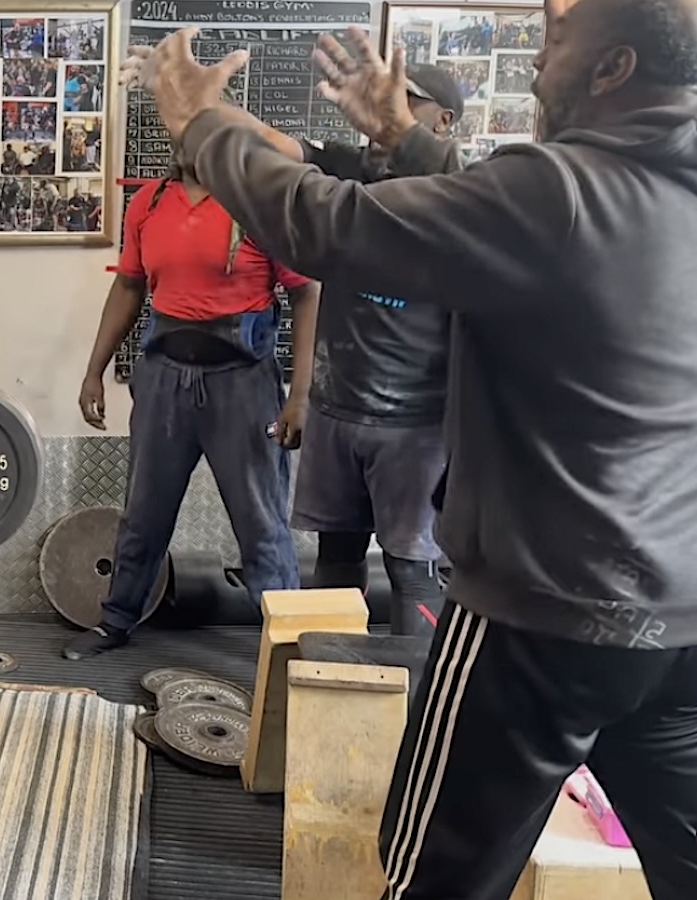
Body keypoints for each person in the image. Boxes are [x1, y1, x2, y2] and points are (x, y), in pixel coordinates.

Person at [136, 0, 697, 895]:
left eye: (561, 34)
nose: (545, 41)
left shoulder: (559, 190)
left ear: (613, 68)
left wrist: (200, 125)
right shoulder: (658, 187)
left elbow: (330, 228)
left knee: (432, 876)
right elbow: (540, 229)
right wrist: (407, 139)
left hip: (539, 620)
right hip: (678, 622)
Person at [63, 156, 319, 660]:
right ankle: (116, 621)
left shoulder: (260, 202)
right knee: (144, 512)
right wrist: (94, 369)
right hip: (164, 382)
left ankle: (289, 646)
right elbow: (130, 286)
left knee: (261, 522)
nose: (187, 139)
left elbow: (307, 293)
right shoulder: (149, 202)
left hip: (242, 384)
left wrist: (300, 394)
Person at [261, 43, 465, 635]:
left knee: (413, 571)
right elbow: (277, 147)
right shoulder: (353, 167)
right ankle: (332, 704)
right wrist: (197, 110)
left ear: (442, 122)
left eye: (402, 105)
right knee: (335, 567)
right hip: (338, 411)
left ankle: (415, 713)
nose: (382, 117)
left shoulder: (470, 198)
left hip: (416, 427)